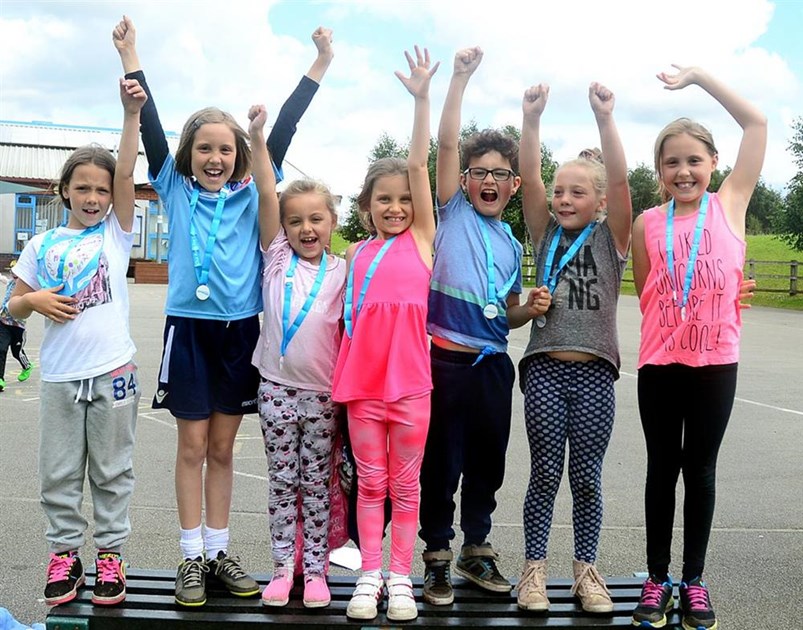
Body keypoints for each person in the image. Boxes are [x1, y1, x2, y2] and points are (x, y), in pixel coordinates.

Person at [111, 16, 334, 607]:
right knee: (190, 447)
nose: (214, 157)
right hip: (188, 330)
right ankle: (190, 556)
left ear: (240, 156)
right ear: (189, 155)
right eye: (204, 148)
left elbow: (284, 128)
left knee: (222, 449)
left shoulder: (253, 191)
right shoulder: (174, 186)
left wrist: (319, 64)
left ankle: (218, 552)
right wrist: (131, 56)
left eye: (225, 149)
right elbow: (150, 125)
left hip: (240, 334)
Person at [630, 66, 766, 630]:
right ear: (659, 171)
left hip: (715, 365)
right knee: (661, 470)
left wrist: (699, 78)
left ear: (713, 162)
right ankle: (657, 578)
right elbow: (649, 293)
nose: (683, 171)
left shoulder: (730, 203)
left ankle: (694, 580)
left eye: (693, 160)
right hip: (660, 365)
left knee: (701, 472)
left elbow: (756, 123)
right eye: (671, 162)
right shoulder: (647, 222)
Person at [417, 46, 551, 607]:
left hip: (494, 365)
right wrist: (458, 79)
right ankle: (437, 556)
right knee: (440, 465)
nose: (489, 180)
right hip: (445, 362)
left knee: (487, 464)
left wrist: (530, 308)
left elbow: (507, 312)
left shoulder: (513, 243)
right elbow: (446, 144)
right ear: (465, 180)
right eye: (480, 173)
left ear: (514, 185)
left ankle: (476, 548)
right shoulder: (453, 212)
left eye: (500, 174)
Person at [8, 78, 146, 607]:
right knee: (60, 472)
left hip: (114, 372)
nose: (93, 198)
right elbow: (11, 307)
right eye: (83, 188)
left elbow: (127, 170)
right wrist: (35, 300)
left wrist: (130, 115)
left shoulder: (115, 234)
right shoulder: (40, 244)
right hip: (62, 377)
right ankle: (65, 553)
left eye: (102, 191)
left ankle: (111, 554)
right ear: (64, 189)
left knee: (112, 470)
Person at [331, 46, 439, 623]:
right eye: (383, 200)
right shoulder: (355, 254)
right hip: (363, 391)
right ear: (366, 205)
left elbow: (419, 166)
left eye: (403, 200)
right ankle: (369, 574)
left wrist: (422, 101)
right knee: (369, 485)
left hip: (412, 389)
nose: (396, 207)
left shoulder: (422, 242)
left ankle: (401, 577)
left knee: (406, 486)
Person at [515, 82, 632, 614]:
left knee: (586, 478)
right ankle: (534, 571)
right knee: (544, 473)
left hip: (595, 375)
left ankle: (586, 571)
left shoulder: (613, 237)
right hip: (544, 371)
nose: (563, 199)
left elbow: (622, 179)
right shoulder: (544, 232)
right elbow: (531, 176)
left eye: (577, 192)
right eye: (560, 191)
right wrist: (530, 119)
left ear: (601, 201)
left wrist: (604, 118)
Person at [247, 102, 348, 609]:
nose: (306, 229)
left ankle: (316, 571)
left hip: (324, 395)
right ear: (283, 228)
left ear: (333, 222)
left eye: (316, 219)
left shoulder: (344, 271)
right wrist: (257, 135)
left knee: (317, 485)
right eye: (295, 221)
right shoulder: (276, 258)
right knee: (283, 485)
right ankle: (282, 569)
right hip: (276, 390)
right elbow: (267, 190)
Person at [0, 275, 34, 392]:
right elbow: (4, 279)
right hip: (3, 322)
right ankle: (0, 379)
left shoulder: (26, 287)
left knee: (16, 352)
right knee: (1, 349)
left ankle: (27, 366)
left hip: (18, 326)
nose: (14, 277)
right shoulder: (10, 282)